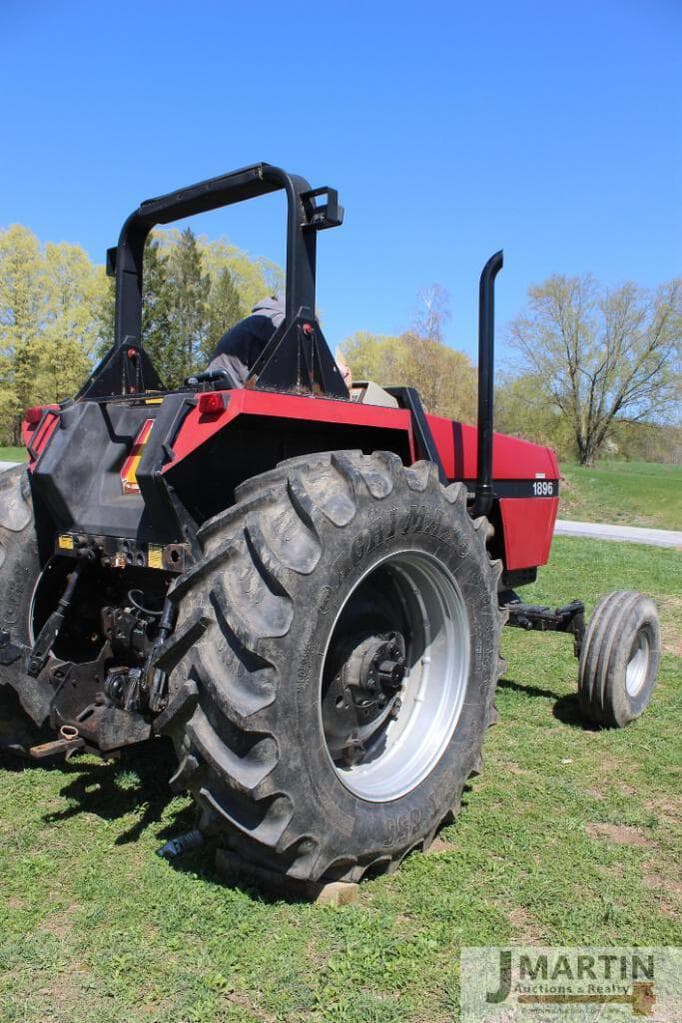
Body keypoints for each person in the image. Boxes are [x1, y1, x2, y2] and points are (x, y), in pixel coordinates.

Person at [207, 296, 352, 390]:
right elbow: (304, 361)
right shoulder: (277, 322)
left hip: (217, 384)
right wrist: (338, 372)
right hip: (233, 389)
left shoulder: (259, 319)